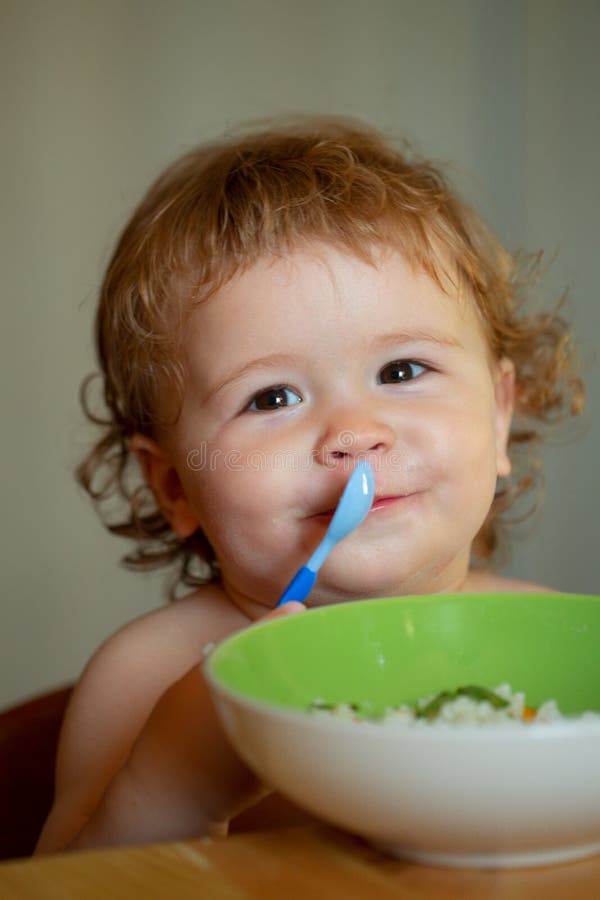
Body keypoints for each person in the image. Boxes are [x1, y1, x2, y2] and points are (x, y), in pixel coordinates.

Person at [36, 117, 584, 853]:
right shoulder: (147, 679)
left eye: (401, 371)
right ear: (171, 485)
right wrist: (171, 783)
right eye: (271, 398)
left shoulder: (557, 654)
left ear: (498, 416)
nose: (354, 433)